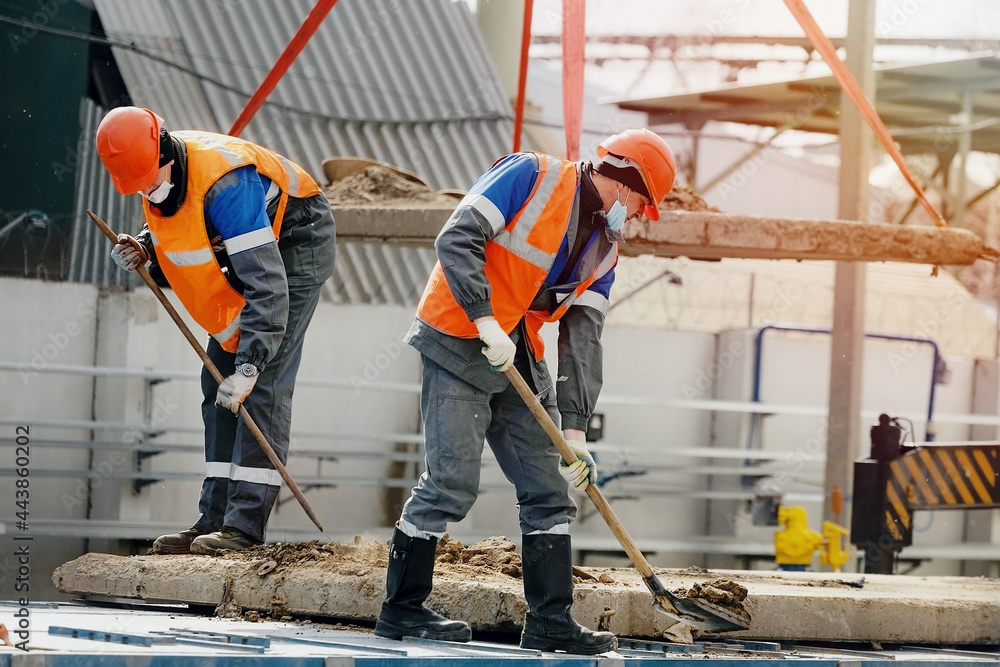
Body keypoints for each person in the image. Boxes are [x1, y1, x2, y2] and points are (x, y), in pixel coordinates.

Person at [374, 129, 675, 654]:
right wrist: (484, 318)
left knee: (548, 488)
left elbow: (584, 338)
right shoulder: (530, 175)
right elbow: (456, 238)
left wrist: (575, 432)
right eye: (643, 204)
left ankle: (550, 621)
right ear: (627, 185)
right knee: (451, 482)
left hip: (519, 350)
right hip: (460, 336)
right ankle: (400, 610)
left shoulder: (605, 250)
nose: (639, 219)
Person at [95, 106, 336, 556]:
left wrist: (251, 364)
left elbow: (267, 284)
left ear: (165, 151)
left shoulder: (226, 185)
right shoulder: (157, 171)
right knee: (217, 379)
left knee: (259, 385)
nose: (147, 188)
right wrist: (147, 249)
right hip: (244, 244)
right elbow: (182, 232)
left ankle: (242, 530)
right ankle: (213, 520)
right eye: (139, 184)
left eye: (149, 177)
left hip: (297, 239)